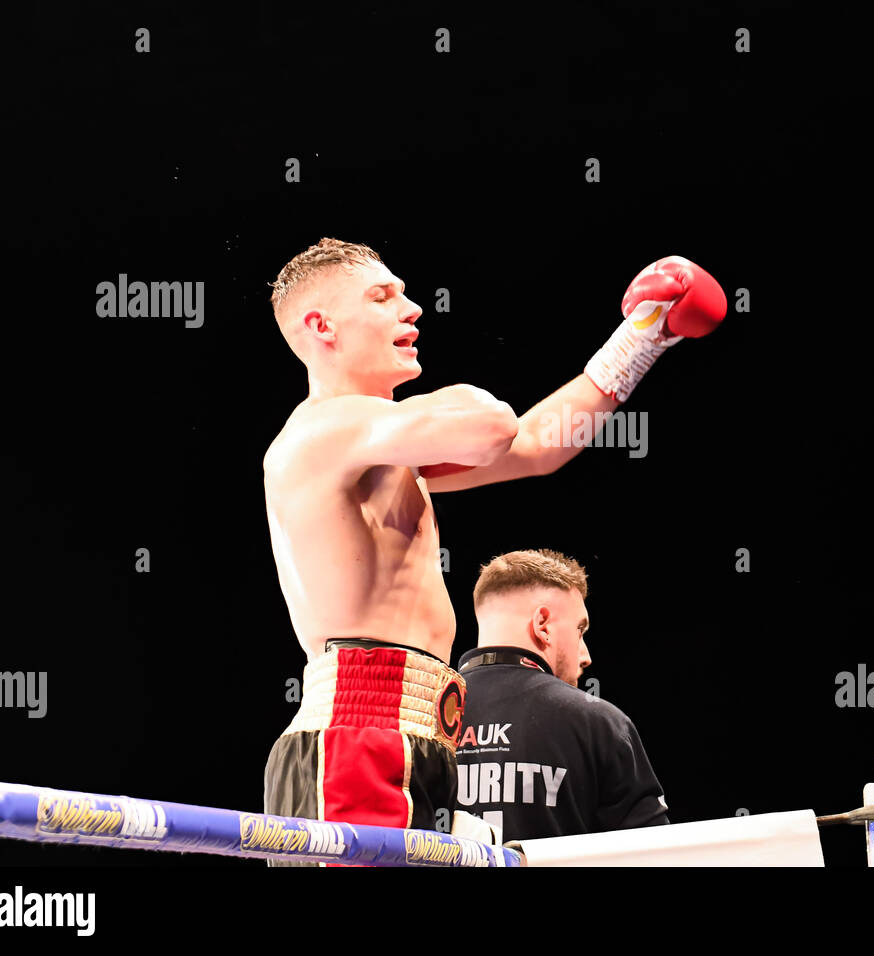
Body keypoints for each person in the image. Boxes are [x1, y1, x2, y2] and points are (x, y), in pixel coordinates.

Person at [260, 239, 723, 862]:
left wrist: (641, 336)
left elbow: (539, 444)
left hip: (415, 728)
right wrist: (471, 405)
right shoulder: (325, 430)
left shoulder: (380, 446)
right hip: (360, 729)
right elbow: (496, 424)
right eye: (382, 296)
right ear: (322, 326)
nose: (413, 308)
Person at [454, 549, 669, 841]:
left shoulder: (414, 718)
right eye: (580, 630)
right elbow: (655, 855)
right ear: (542, 625)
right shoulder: (600, 723)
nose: (586, 655)